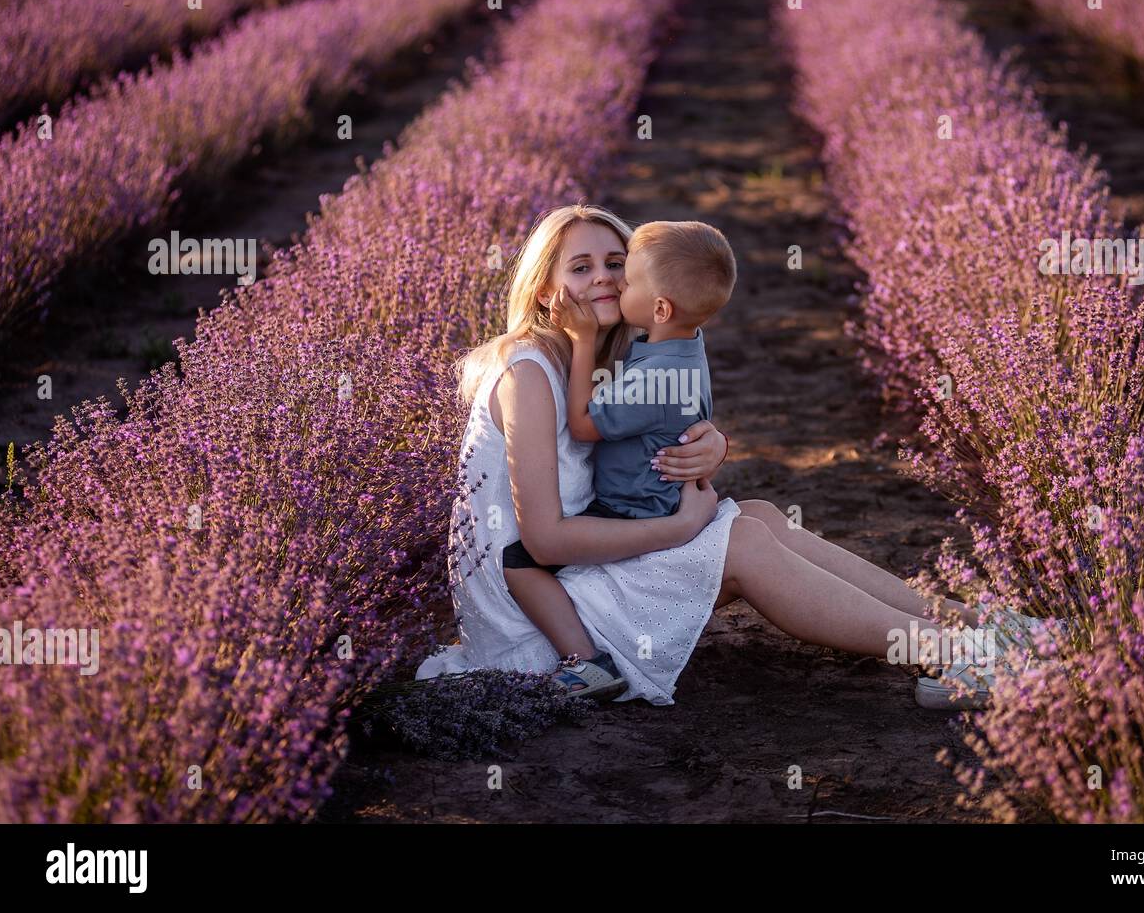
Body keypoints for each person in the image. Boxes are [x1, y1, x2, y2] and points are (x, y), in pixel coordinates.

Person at [416, 202, 1035, 709]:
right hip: (536, 612)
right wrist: (681, 525)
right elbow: (542, 542)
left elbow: (658, 423)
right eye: (580, 268)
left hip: (578, 567)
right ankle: (957, 655)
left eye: (615, 262)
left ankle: (973, 624)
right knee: (739, 542)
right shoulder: (528, 373)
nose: (603, 278)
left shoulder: (604, 356)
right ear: (546, 291)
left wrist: (710, 442)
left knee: (760, 514)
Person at [498, 220, 737, 700]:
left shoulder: (643, 367)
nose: (613, 281)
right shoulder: (679, 342)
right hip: (660, 502)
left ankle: (586, 663)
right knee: (758, 530)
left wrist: (583, 341)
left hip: (635, 508)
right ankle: (930, 624)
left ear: (660, 307)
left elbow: (585, 424)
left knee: (518, 561)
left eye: (622, 271)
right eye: (584, 268)